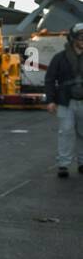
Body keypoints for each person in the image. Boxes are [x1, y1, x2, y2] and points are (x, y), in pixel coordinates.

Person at [45, 22, 83, 177]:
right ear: (73, 38)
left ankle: (82, 162)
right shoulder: (60, 58)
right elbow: (50, 79)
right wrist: (50, 100)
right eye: (81, 36)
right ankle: (63, 164)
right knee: (65, 132)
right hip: (65, 101)